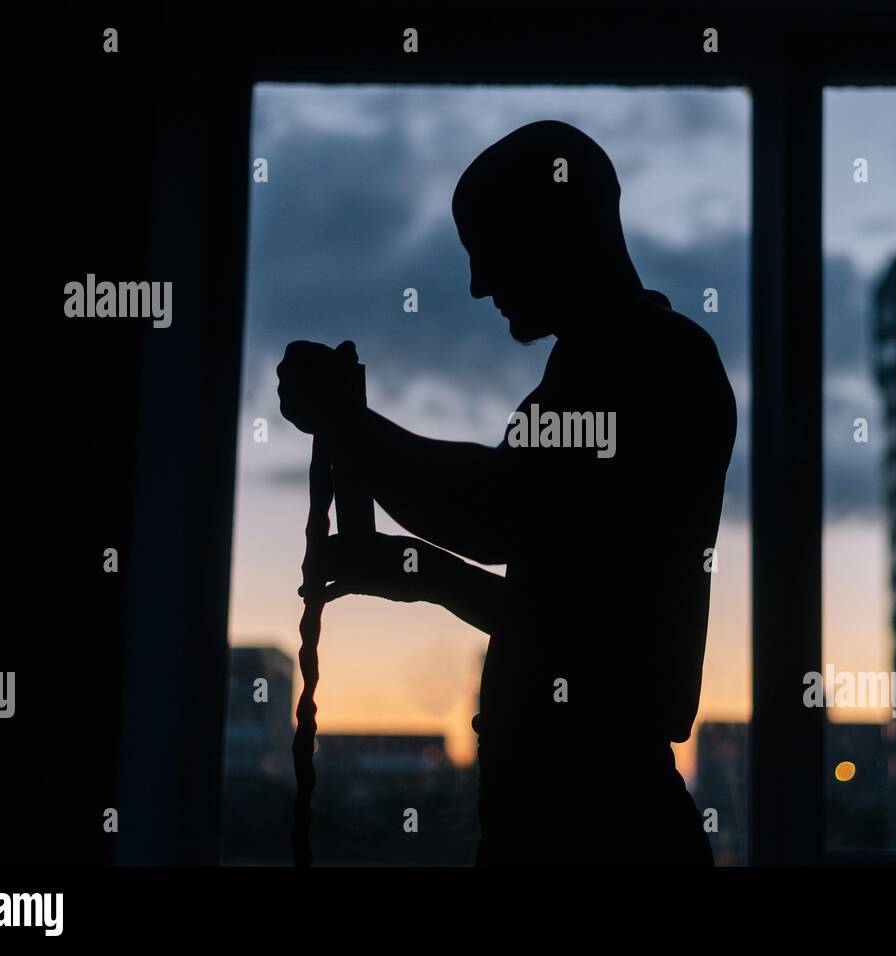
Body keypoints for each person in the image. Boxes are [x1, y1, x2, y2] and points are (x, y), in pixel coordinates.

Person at [277, 120, 736, 866]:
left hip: (592, 831)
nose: (477, 284)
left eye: (487, 249)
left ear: (555, 228)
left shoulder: (647, 363)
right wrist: (411, 568)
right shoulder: (631, 364)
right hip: (592, 817)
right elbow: (568, 628)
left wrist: (352, 428)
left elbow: (494, 511)